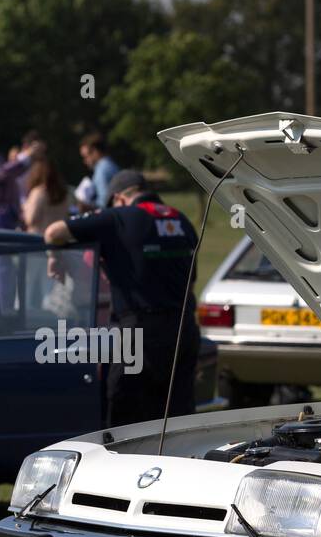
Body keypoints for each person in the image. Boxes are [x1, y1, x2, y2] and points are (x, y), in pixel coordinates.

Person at [43, 169, 200, 426]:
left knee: (122, 415)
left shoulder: (118, 217)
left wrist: (54, 257)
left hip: (137, 331)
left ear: (119, 198)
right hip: (184, 330)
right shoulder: (181, 220)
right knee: (176, 419)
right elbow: (191, 276)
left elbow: (53, 232)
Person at [22, 156, 70, 234]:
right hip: (58, 238)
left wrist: (25, 208)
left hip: (39, 238)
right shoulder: (62, 192)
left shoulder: (38, 192)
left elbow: (30, 219)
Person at [78, 132, 120, 210]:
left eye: (86, 156)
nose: (84, 161)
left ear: (95, 151)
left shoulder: (101, 170)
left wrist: (85, 205)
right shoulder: (110, 164)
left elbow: (104, 203)